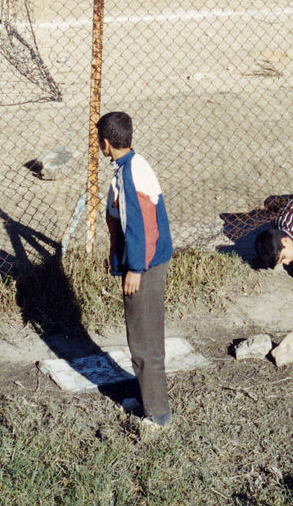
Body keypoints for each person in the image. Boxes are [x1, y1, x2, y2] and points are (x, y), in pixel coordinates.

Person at [99, 111, 173, 434]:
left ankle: (157, 415)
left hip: (145, 266)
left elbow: (141, 227)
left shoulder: (130, 174)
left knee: (144, 340)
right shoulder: (132, 165)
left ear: (105, 143)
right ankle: (147, 398)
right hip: (147, 262)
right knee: (145, 335)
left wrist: (135, 269)